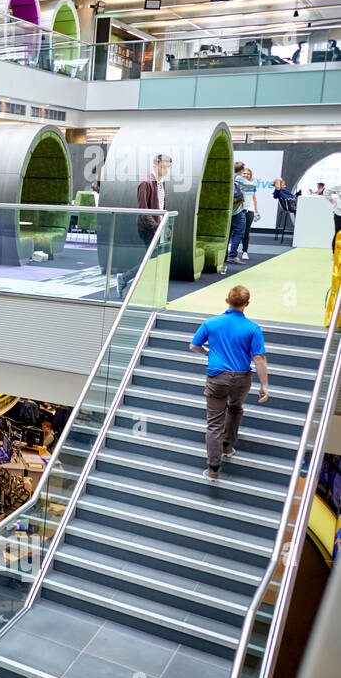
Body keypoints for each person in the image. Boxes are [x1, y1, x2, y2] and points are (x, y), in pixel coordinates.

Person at [188, 285, 270, 481]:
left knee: (214, 423)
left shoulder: (211, 323)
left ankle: (213, 469)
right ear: (247, 303)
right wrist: (264, 385)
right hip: (242, 378)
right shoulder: (253, 328)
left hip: (217, 377)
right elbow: (259, 358)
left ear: (227, 301)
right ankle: (227, 446)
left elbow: (193, 346)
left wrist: (207, 352)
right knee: (235, 409)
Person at [116, 153, 171, 298]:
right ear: (155, 166)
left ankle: (135, 283)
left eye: (168, 167)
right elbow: (144, 211)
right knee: (152, 260)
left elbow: (161, 207)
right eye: (163, 167)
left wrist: (164, 225)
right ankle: (125, 278)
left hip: (158, 227)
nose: (166, 170)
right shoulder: (146, 184)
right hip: (148, 229)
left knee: (154, 260)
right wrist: (156, 227)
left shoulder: (162, 183)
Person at [226, 173, 247, 266]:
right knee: (239, 233)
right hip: (238, 213)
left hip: (227, 213)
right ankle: (233, 256)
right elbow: (253, 184)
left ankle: (224, 255)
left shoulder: (224, 181)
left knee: (227, 235)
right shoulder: (238, 181)